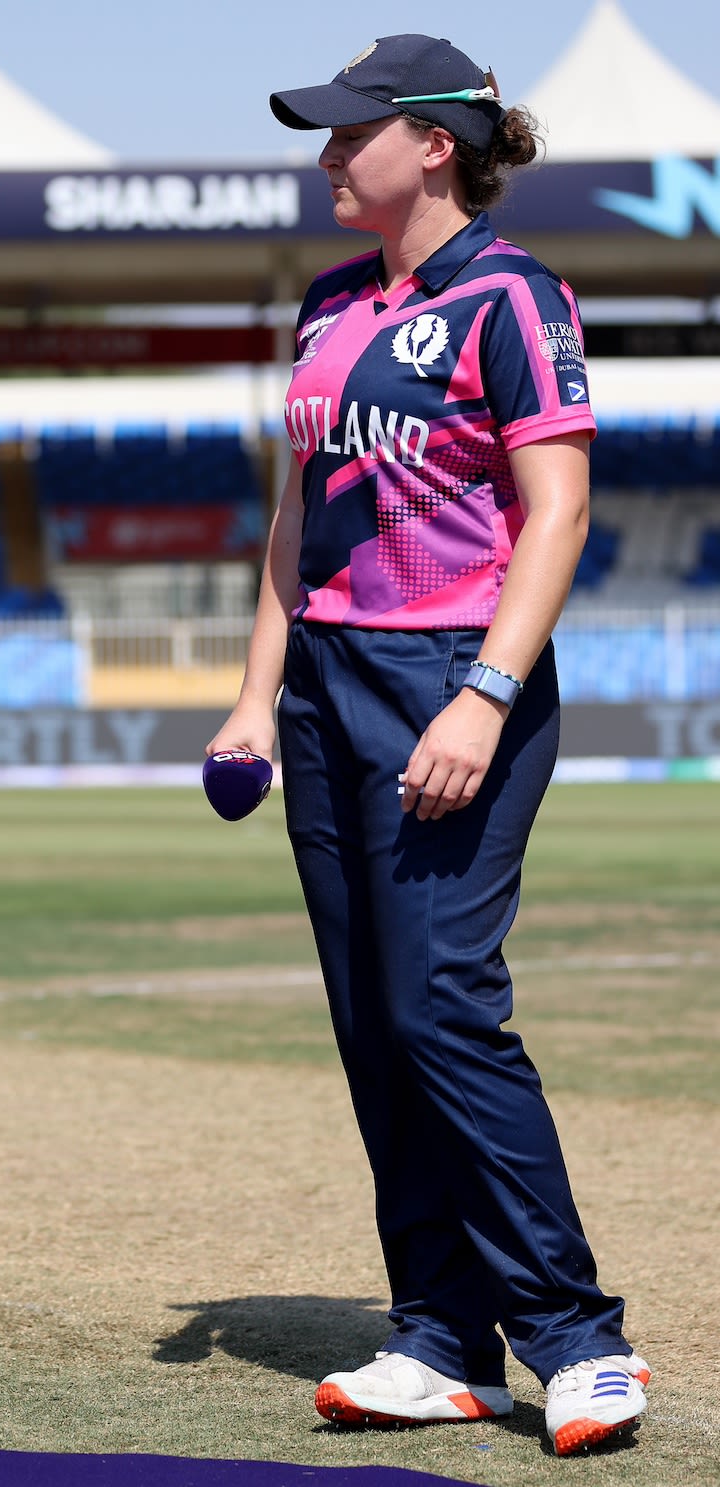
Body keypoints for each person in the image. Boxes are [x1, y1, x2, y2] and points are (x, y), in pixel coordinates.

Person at [208, 34, 649, 1458]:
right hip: (328, 685)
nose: (330, 157)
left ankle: (579, 1339)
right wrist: (252, 696)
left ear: (435, 145)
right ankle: (440, 1337)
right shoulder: (328, 309)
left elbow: (560, 512)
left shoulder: (515, 297)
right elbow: (296, 522)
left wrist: (485, 694)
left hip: (454, 679)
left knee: (442, 1005)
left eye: (352, 136)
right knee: (371, 1025)